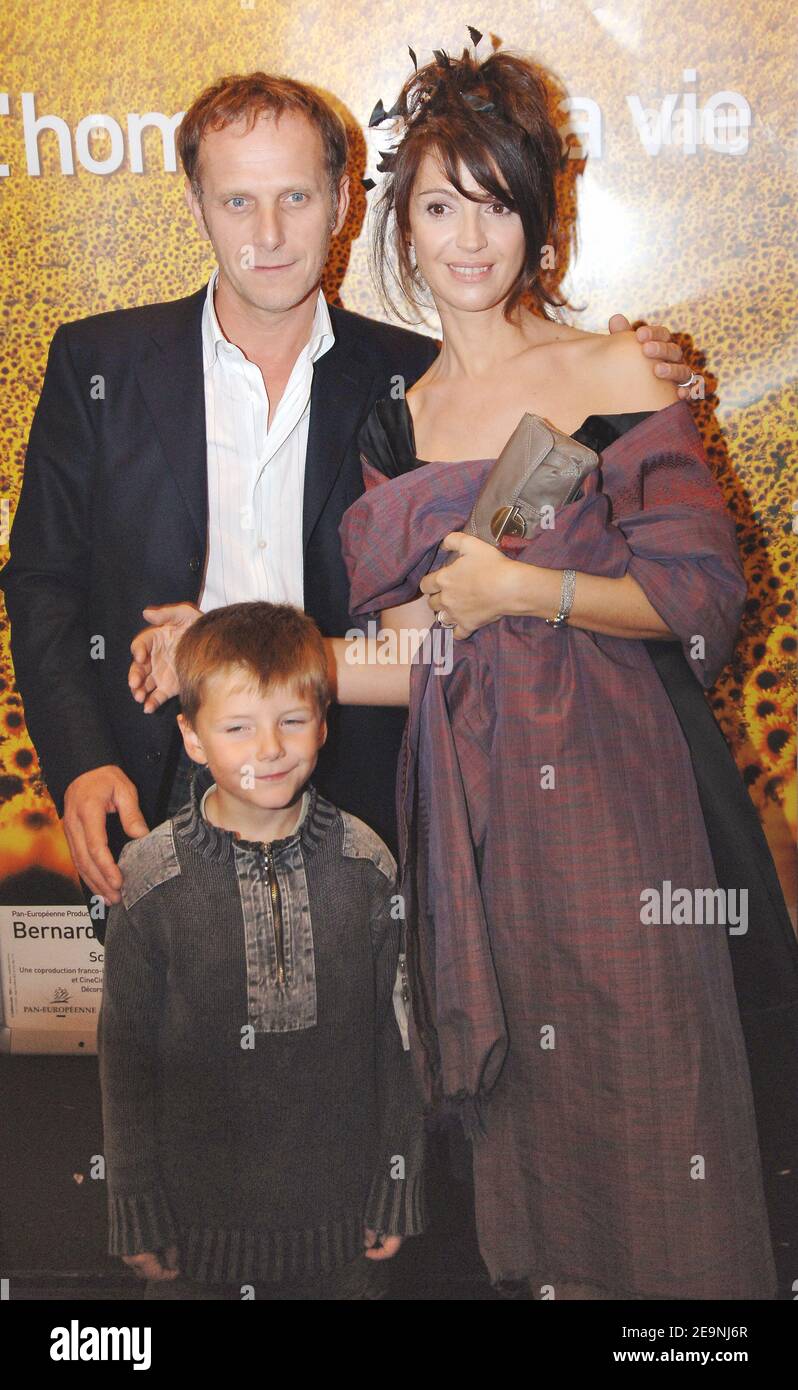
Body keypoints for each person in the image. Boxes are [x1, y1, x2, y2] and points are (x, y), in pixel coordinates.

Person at [0, 70, 693, 935]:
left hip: (359, 789)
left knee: (362, 1062)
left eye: (295, 195)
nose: (269, 234)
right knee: (168, 1059)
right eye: (238, 201)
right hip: (157, 777)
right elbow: (41, 583)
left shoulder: (421, 382)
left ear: (341, 202)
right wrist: (80, 763)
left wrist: (625, 376)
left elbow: (474, 593)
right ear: (196, 204)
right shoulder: (97, 361)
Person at [98, 601, 425, 1300]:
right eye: (238, 727)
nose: (269, 748)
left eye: (293, 720)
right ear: (191, 736)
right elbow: (125, 1055)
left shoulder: (368, 865)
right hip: (195, 1245)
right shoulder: (150, 880)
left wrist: (399, 1179)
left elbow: (397, 1040)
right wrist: (134, 1208)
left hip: (343, 1244)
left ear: (324, 722)